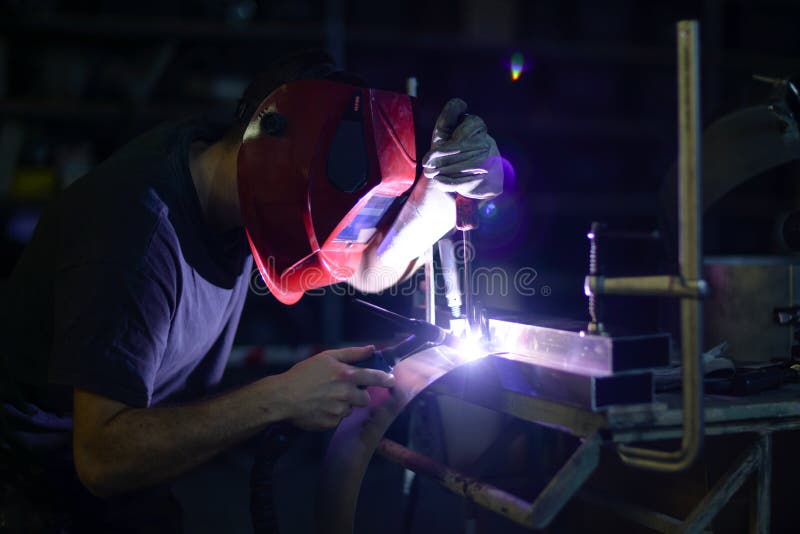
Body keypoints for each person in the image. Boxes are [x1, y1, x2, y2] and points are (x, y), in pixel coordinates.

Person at [0, 49, 503, 532]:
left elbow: (367, 268)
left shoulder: (237, 179)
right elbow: (102, 459)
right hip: (35, 498)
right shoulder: (135, 232)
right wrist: (279, 397)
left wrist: (439, 196)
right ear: (269, 143)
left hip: (129, 491)